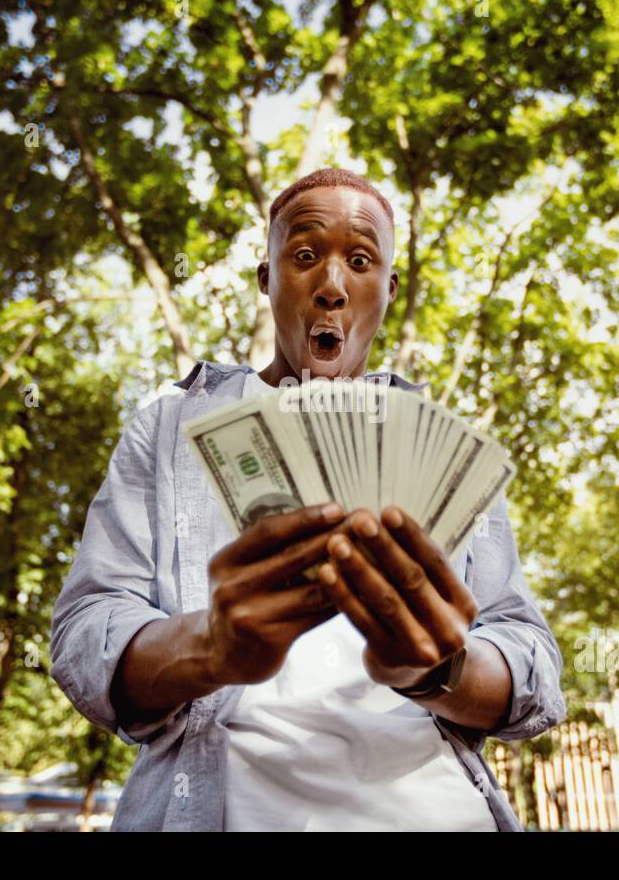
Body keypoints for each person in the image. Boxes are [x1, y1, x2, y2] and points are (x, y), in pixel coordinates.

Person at [49, 167, 566, 830]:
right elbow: (83, 634)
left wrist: (440, 672)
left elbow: (532, 663)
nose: (330, 286)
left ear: (389, 288)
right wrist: (210, 647)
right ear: (266, 277)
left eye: (359, 260)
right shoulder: (168, 428)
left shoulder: (440, 446)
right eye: (302, 256)